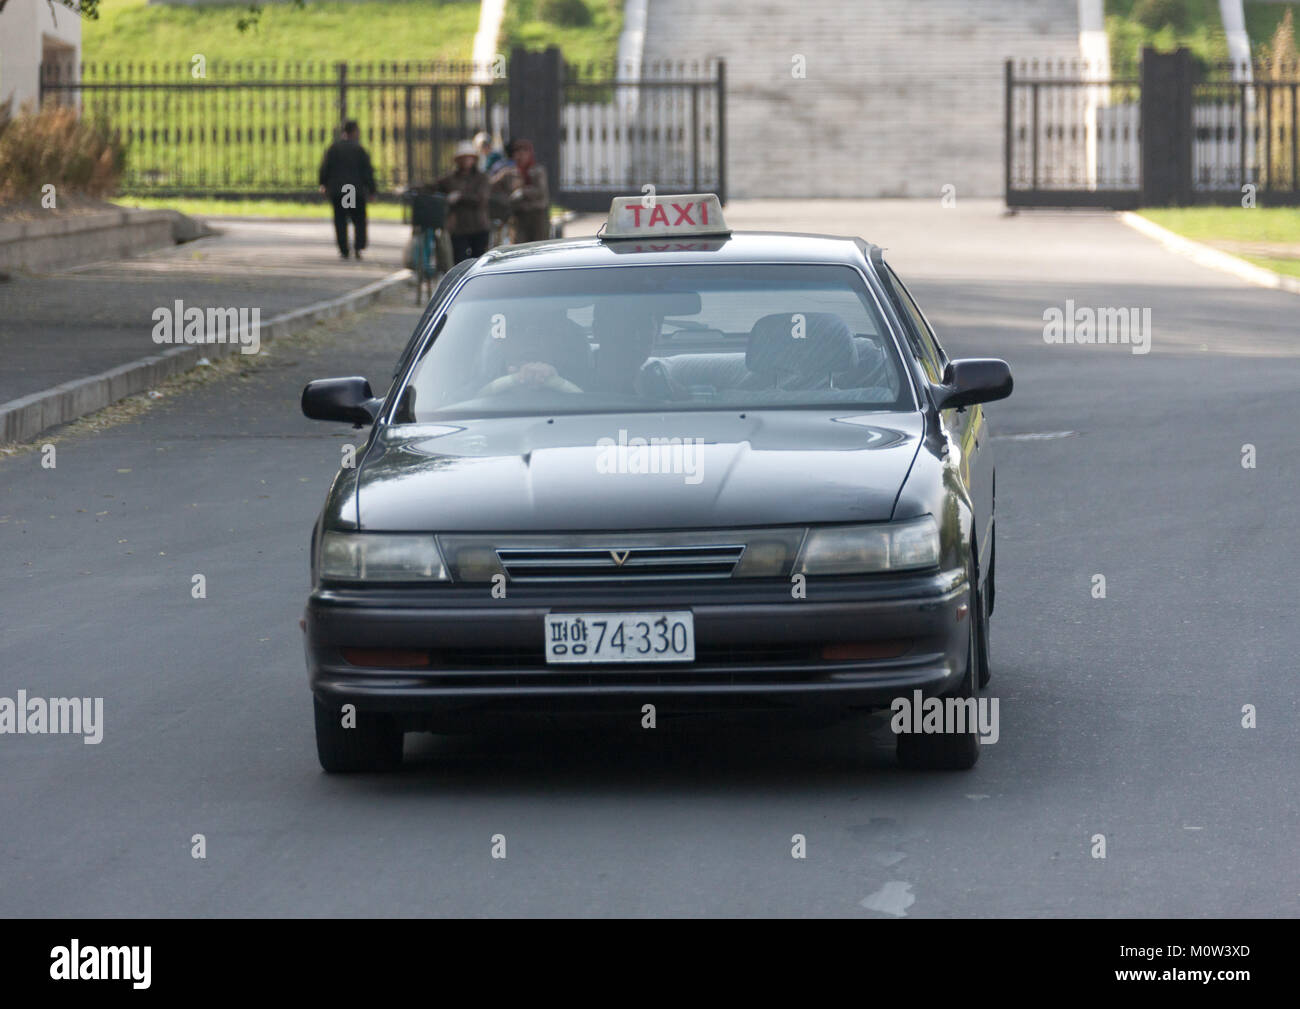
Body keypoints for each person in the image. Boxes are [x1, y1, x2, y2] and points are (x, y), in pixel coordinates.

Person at [318, 120, 377, 260]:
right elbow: (367, 171)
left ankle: (344, 248)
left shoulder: (334, 148)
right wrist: (372, 190)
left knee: (340, 219)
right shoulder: (359, 149)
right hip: (354, 190)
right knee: (359, 219)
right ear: (354, 131)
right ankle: (358, 246)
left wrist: (323, 184)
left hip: (340, 190)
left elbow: (325, 168)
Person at [434, 141, 491, 263]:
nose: (466, 161)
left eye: (469, 158)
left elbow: (481, 199)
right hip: (458, 228)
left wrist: (460, 197)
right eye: (463, 158)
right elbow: (433, 185)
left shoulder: (482, 178)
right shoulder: (450, 178)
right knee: (459, 261)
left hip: (478, 226)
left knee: (479, 261)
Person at [491, 138, 550, 245]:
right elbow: (491, 186)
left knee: (539, 246)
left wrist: (522, 192)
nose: (520, 156)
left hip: (537, 215)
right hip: (518, 216)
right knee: (519, 246)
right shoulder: (509, 172)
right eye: (517, 152)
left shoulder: (537, 171)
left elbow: (540, 191)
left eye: (524, 152)